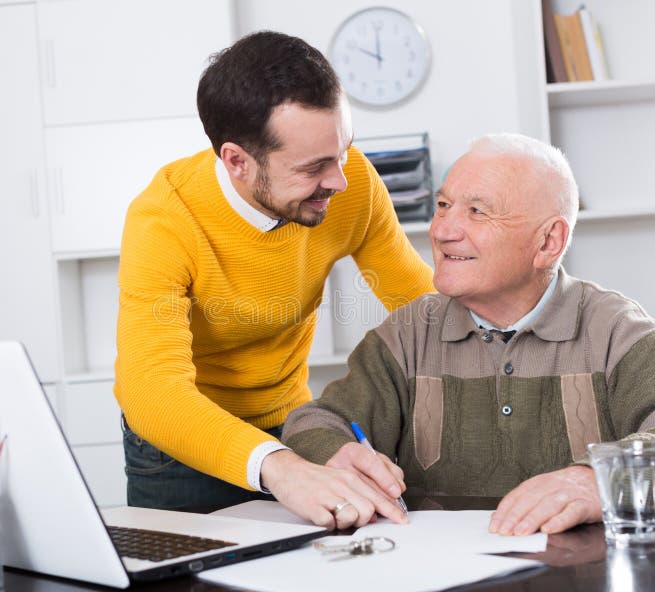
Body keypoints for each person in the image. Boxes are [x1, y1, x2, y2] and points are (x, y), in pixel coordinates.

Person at [282, 132, 655, 534]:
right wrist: (334, 452)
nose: (443, 229)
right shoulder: (407, 334)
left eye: (477, 211)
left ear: (548, 242)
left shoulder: (618, 332)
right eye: (443, 204)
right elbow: (314, 422)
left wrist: (600, 480)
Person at [113, 30, 433, 527]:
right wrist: (277, 468)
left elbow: (419, 306)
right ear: (237, 160)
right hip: (179, 449)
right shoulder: (164, 219)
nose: (340, 180)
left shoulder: (351, 185)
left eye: (343, 150)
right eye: (313, 167)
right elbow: (151, 391)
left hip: (293, 425)